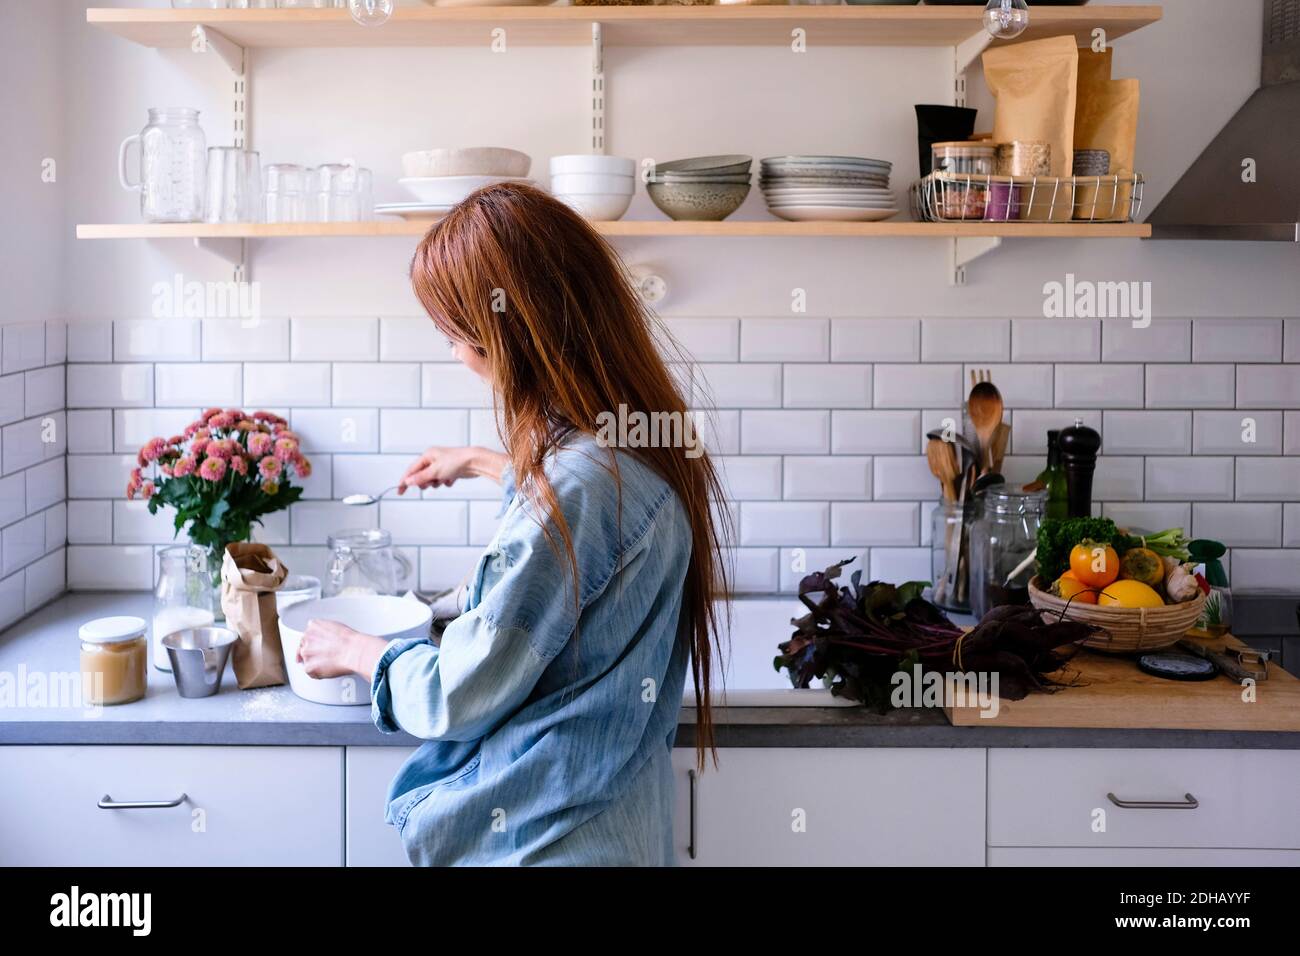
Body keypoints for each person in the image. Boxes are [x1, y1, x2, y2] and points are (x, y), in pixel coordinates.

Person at [296, 182, 729, 865]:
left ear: (506, 333)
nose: (455, 355)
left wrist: (359, 652)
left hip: (542, 843)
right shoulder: (635, 443)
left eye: (455, 336)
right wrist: (482, 462)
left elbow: (458, 694)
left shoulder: (577, 487)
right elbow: (598, 528)